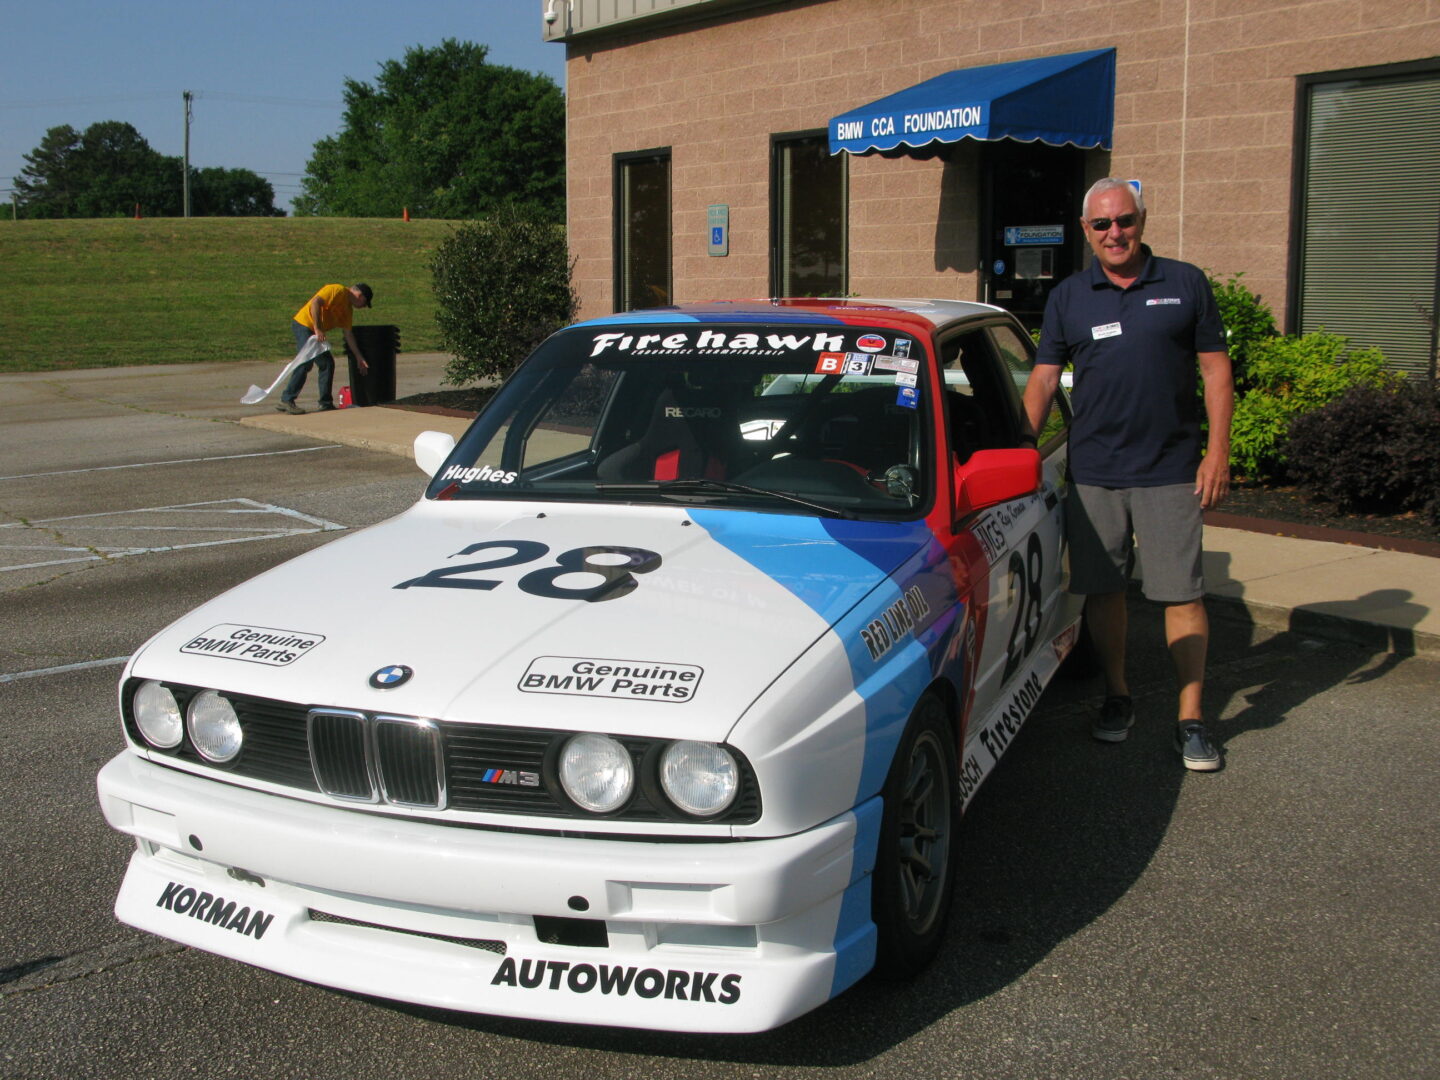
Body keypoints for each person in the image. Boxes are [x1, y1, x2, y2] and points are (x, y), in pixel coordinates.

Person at [1021, 178, 1234, 771]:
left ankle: (1191, 720)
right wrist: (1018, 449)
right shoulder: (1068, 296)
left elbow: (1216, 372)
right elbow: (1043, 378)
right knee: (1105, 591)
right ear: (1087, 231)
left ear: (1142, 219)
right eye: (1102, 225)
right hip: (1094, 472)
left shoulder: (1185, 283)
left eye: (1125, 221)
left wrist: (1217, 453)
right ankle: (1118, 696)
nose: (1115, 233)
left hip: (1170, 468)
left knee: (1182, 592)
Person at [277, 283, 373, 414]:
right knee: (305, 362)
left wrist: (359, 357)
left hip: (316, 332)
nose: (363, 307)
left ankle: (325, 403)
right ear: (360, 296)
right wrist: (318, 328)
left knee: (327, 363)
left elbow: (348, 334)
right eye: (365, 303)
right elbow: (316, 302)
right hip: (304, 325)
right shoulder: (337, 290)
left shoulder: (347, 310)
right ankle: (287, 399)